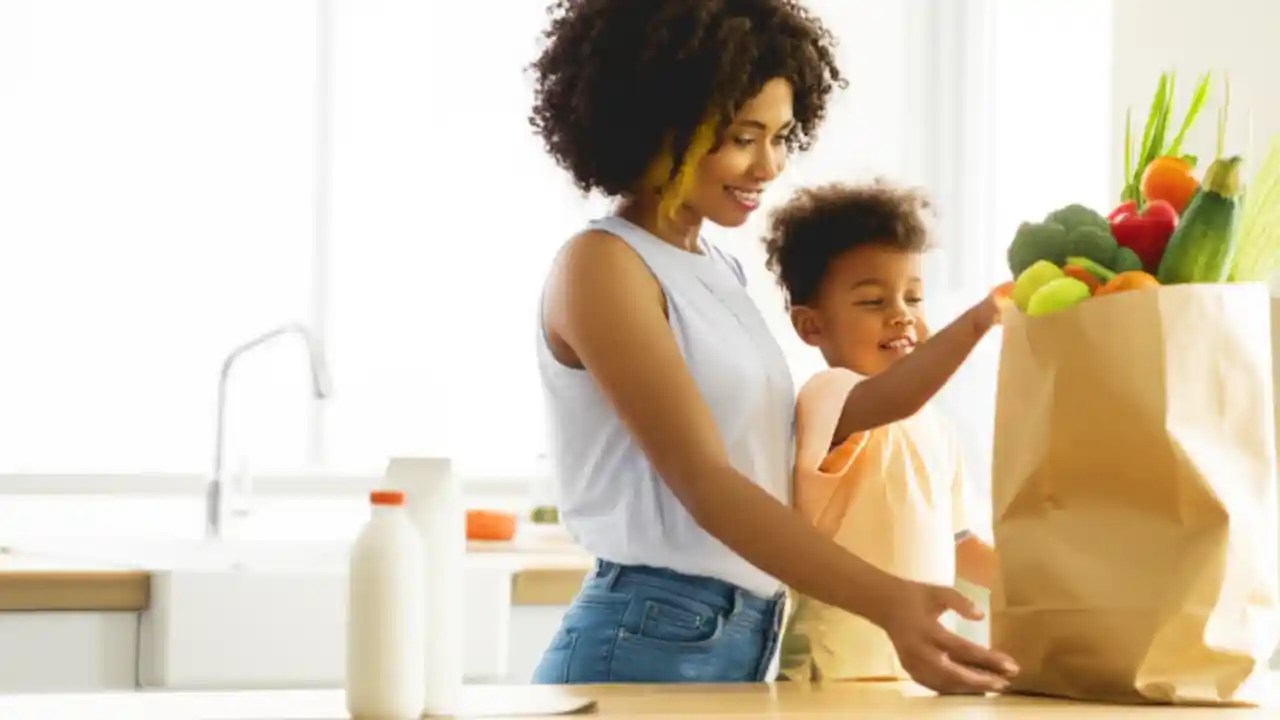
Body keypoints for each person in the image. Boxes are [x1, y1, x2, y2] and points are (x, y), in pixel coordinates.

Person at [527, 0, 1017, 692]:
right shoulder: (602, 266)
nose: (769, 164)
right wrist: (888, 601)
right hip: (646, 634)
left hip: (742, 631)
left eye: (782, 135)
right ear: (654, 126)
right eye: (741, 136)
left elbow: (789, 446)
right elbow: (709, 485)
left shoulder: (716, 269)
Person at [760, 180, 1001, 683]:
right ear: (811, 327)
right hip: (830, 677)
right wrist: (978, 321)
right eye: (873, 302)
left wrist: (1045, 589)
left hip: (913, 673)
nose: (902, 315)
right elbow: (898, 396)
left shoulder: (936, 428)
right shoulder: (829, 396)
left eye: (914, 296)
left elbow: (960, 544)